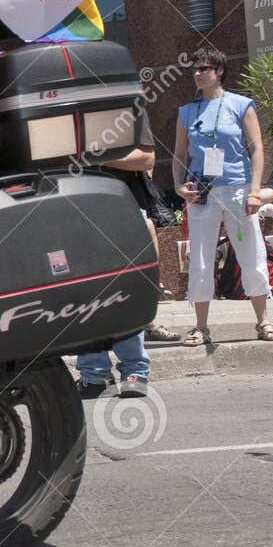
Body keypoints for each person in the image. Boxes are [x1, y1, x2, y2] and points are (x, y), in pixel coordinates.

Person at [174, 45, 273, 344]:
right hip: (202, 192)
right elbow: (179, 154)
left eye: (204, 68)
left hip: (237, 188)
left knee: (251, 252)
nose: (197, 74)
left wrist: (255, 190)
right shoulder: (187, 111)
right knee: (201, 257)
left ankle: (264, 321)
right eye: (194, 69)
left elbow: (257, 148)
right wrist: (177, 186)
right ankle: (201, 326)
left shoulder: (241, 105)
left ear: (219, 70)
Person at [77, 142, 158, 397]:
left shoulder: (124, 108)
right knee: (85, 292)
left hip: (120, 207)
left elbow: (147, 159)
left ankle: (134, 371)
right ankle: (94, 375)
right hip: (76, 208)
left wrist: (94, 156)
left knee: (124, 291)